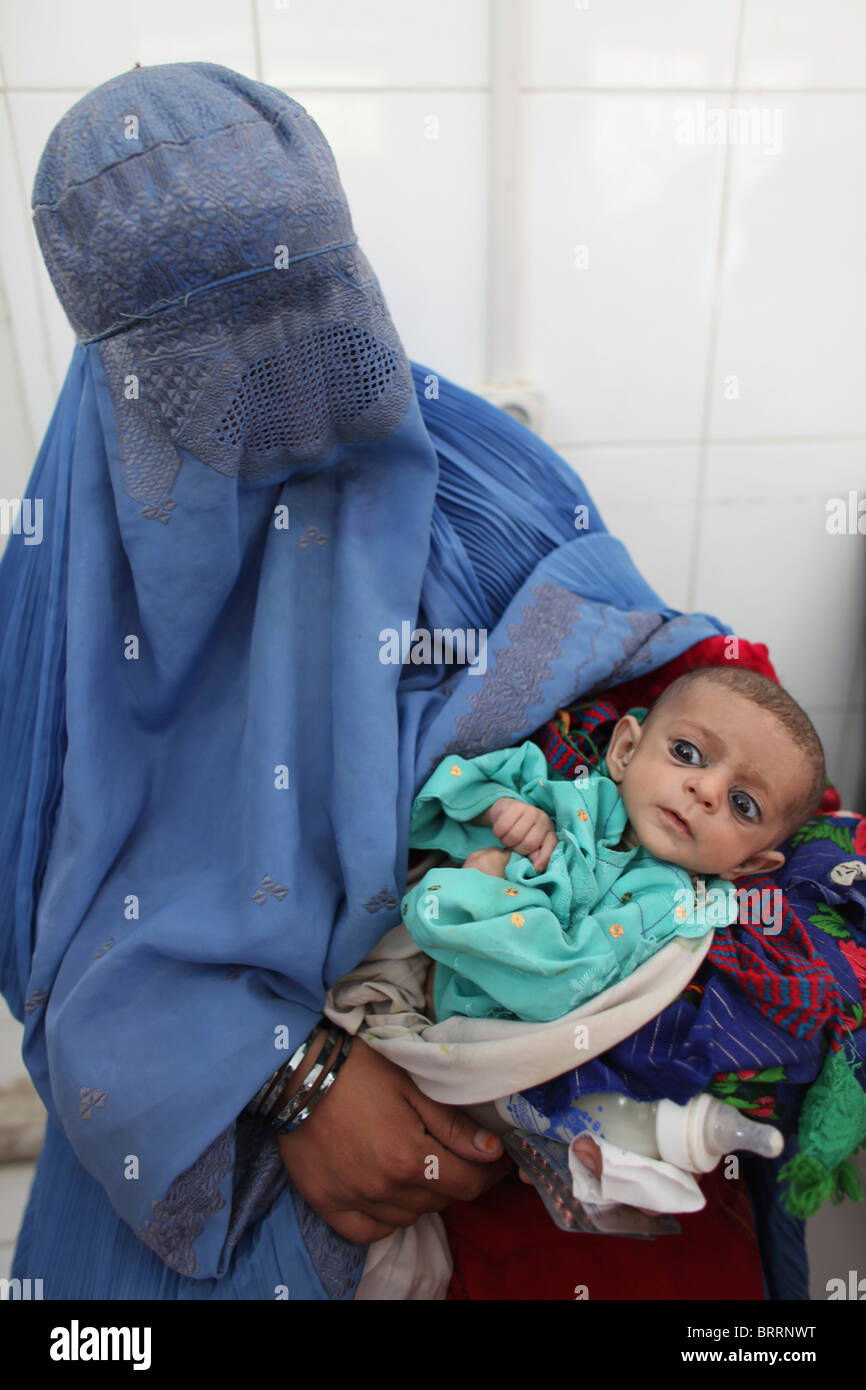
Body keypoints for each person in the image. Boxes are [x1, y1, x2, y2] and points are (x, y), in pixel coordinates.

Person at [1, 60, 733, 1299]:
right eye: (207, 356)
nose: (292, 393)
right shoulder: (60, 583)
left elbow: (664, 727)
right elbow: (42, 928)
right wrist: (289, 1077)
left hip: (505, 1152)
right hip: (189, 1172)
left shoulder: (491, 487)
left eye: (318, 311)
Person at [408, 666, 826, 1024]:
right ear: (625, 750)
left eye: (742, 803)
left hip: (484, 1036)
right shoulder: (574, 790)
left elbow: (562, 980)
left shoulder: (668, 902)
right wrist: (502, 810)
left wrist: (485, 891)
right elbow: (439, 796)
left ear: (748, 864)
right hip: (430, 972)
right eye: (687, 752)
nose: (706, 791)